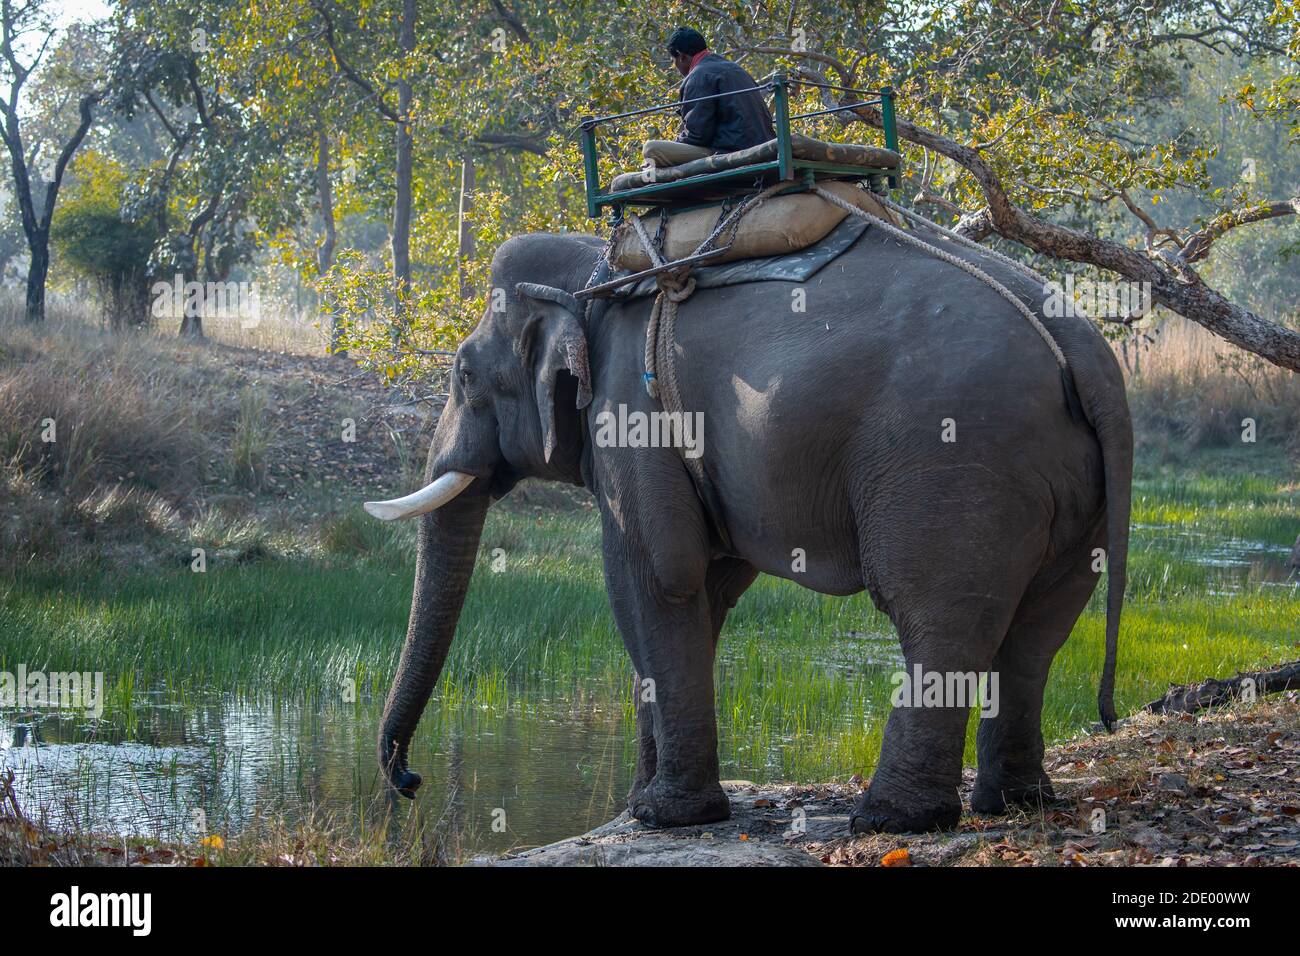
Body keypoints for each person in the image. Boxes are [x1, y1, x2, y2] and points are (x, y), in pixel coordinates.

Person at [642, 27, 776, 169]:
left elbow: (697, 136)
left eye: (673, 60)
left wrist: (676, 142)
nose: (676, 67)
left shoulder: (698, 76)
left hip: (732, 152)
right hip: (762, 146)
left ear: (681, 57)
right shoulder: (735, 68)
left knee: (651, 149)